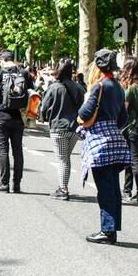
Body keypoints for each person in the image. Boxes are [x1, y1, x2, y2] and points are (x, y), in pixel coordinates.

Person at [77, 49, 131, 244]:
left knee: (105, 189)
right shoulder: (118, 86)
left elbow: (84, 113)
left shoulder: (99, 87)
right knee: (114, 188)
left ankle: (107, 231)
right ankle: (113, 227)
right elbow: (123, 118)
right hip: (116, 141)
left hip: (100, 143)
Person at [0, 50, 33, 193]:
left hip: (1, 116)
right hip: (19, 117)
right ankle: (17, 184)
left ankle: (4, 183)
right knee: (18, 151)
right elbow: (31, 93)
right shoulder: (24, 73)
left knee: (3, 151)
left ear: (2, 60)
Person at [40, 59, 84, 200]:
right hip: (74, 128)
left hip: (58, 127)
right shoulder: (79, 88)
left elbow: (44, 107)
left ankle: (63, 189)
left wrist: (46, 117)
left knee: (62, 159)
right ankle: (63, 186)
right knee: (65, 158)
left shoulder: (54, 87)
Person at [119, 57, 138, 205]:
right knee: (132, 159)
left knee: (135, 161)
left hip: (132, 127)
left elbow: (123, 109)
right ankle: (127, 190)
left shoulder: (131, 88)